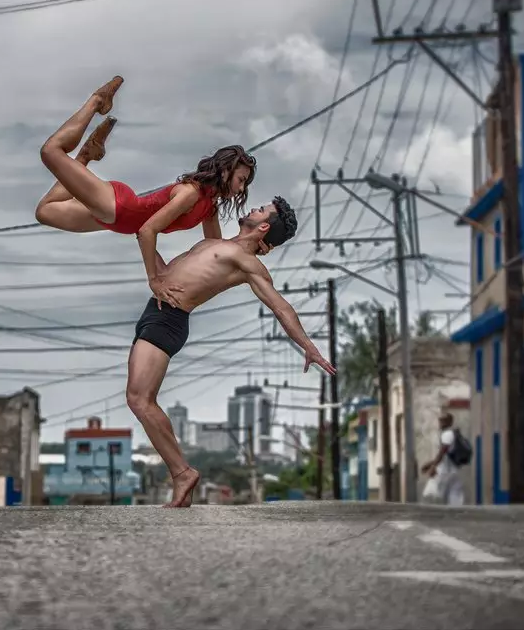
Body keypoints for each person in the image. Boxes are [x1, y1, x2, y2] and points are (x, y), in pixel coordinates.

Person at [124, 197, 336, 508]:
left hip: (169, 318)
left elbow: (281, 307)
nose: (254, 207)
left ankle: (182, 472)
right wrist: (139, 230)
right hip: (154, 311)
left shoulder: (247, 262)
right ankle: (181, 472)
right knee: (138, 398)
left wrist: (309, 346)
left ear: (263, 226)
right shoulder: (215, 242)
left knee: (139, 399)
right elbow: (206, 209)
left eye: (261, 210)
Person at [35, 77, 264, 305]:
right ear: (225, 170)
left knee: (45, 212)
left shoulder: (209, 208)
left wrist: (256, 243)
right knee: (51, 151)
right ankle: (97, 101)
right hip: (117, 206)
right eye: (241, 180)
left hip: (118, 221)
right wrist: (154, 280)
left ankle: (86, 156)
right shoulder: (190, 194)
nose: (241, 189)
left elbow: (218, 252)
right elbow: (147, 231)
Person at [421, 413, 467, 506]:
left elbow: (443, 451)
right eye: (440, 421)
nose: (440, 423)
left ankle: (435, 512)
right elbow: (444, 453)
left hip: (445, 470)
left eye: (442, 421)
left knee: (432, 494)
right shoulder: (452, 433)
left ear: (449, 422)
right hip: (453, 470)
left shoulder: (447, 434)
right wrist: (431, 463)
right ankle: (455, 512)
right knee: (454, 494)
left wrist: (433, 466)